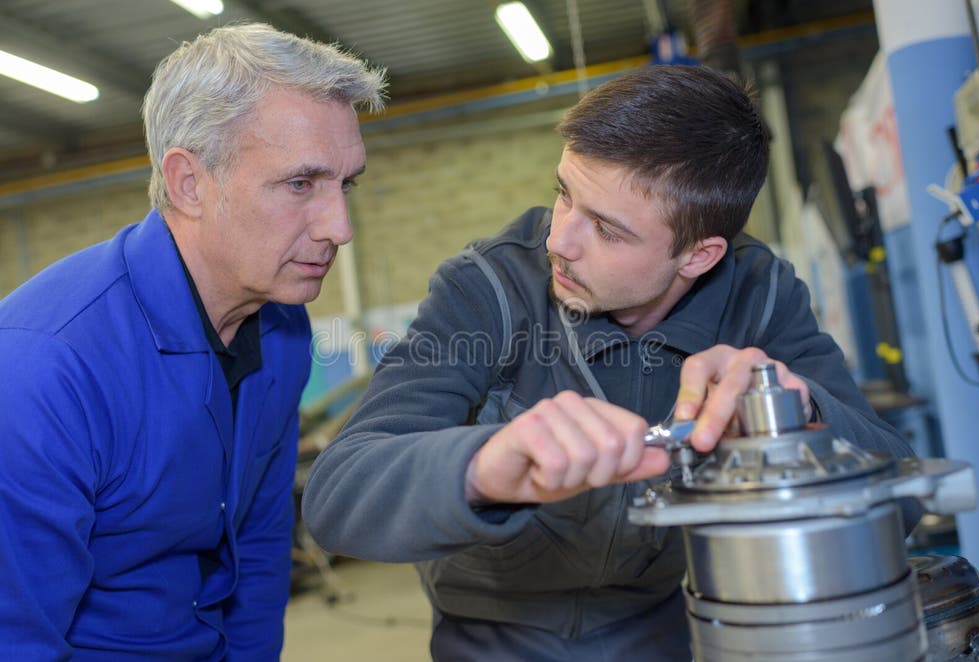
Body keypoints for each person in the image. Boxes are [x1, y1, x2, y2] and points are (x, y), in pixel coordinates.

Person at [302, 65, 916, 660]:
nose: (559, 241)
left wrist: (799, 408)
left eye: (607, 229)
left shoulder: (762, 298)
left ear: (698, 257)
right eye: (564, 195)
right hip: (493, 634)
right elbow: (339, 495)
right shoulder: (485, 289)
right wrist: (484, 467)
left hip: (664, 626)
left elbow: (905, 495)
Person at [0, 23, 385, 660]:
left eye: (346, 183)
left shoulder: (282, 329)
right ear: (188, 183)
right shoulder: (44, 369)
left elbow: (260, 545)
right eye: (300, 184)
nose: (339, 227)